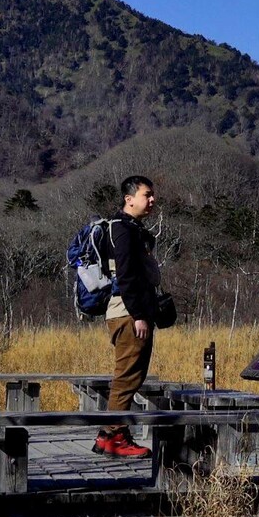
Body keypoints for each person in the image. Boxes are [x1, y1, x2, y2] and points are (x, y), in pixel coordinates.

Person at [95, 175, 167, 459]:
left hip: (132, 312)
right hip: (127, 314)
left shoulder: (132, 228)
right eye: (147, 195)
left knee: (131, 377)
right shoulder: (122, 229)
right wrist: (138, 315)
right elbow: (125, 275)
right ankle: (113, 437)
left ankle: (110, 435)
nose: (152, 200)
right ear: (129, 199)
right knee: (126, 379)